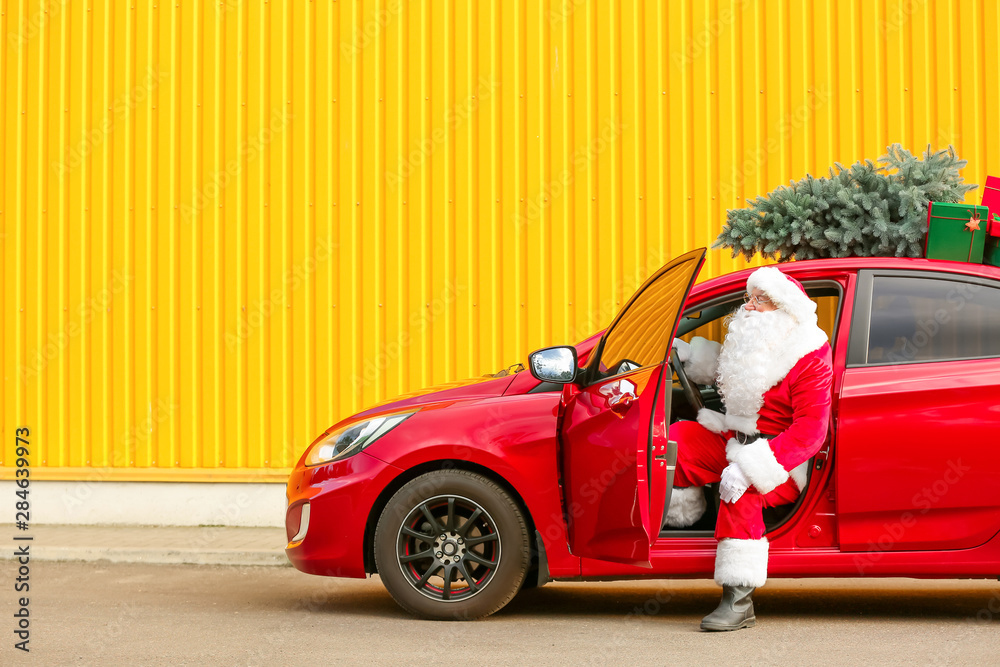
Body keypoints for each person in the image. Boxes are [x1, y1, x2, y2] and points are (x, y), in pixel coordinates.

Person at [666, 266, 833, 632]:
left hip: (781, 461)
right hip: (733, 438)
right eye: (750, 298)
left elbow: (810, 432)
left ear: (785, 309)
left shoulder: (809, 354)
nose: (751, 307)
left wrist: (749, 469)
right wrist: (681, 351)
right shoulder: (754, 338)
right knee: (672, 443)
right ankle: (683, 517)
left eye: (762, 301)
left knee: (740, 491)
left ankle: (738, 601)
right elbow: (724, 367)